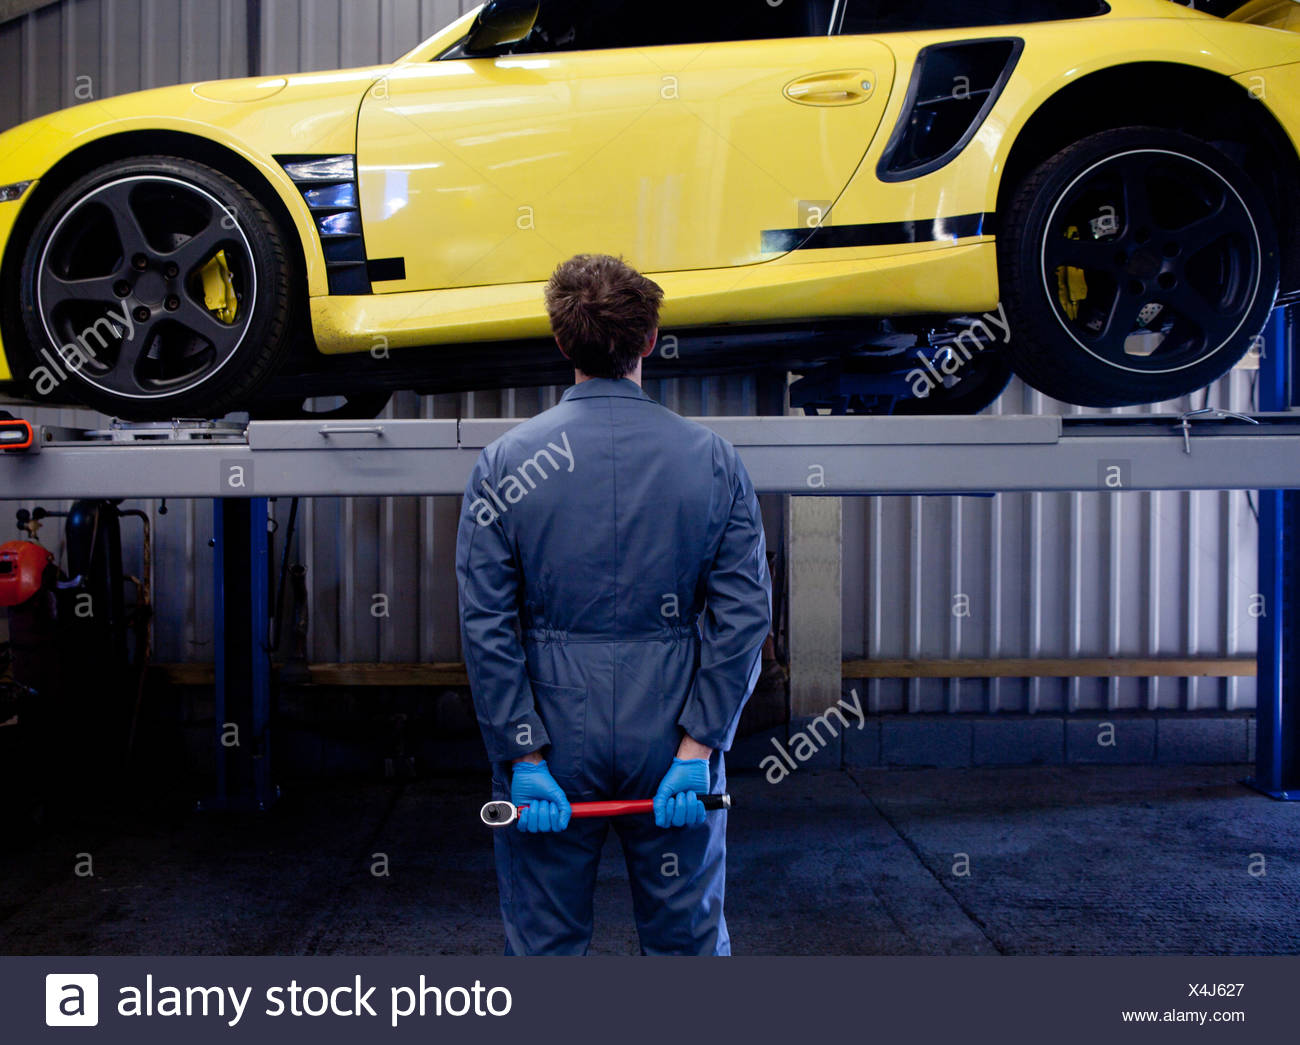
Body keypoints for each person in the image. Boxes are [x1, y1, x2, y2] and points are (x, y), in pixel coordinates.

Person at [455, 254, 772, 956]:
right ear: (650, 340)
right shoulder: (713, 459)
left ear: (561, 341)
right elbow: (744, 618)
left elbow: (486, 625)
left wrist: (524, 753)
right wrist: (699, 746)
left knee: (547, 946)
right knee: (686, 946)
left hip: (553, 734)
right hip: (672, 732)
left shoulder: (504, 463)